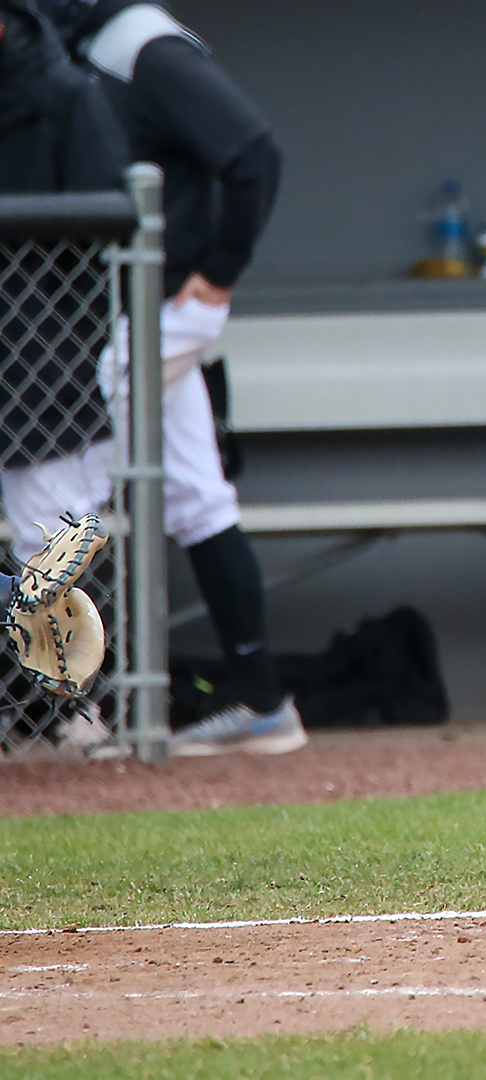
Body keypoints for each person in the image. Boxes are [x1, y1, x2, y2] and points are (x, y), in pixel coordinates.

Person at [20, 0, 301, 756]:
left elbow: (255, 153)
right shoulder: (62, 43)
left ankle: (75, 717)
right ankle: (260, 702)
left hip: (155, 310)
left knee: (54, 491)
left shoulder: (137, 40)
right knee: (192, 492)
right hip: (120, 312)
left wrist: (216, 280)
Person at [0, 0, 127, 751]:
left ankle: (73, 708)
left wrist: (51, 327)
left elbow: (103, 231)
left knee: (52, 533)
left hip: (36, 355)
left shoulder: (61, 90)